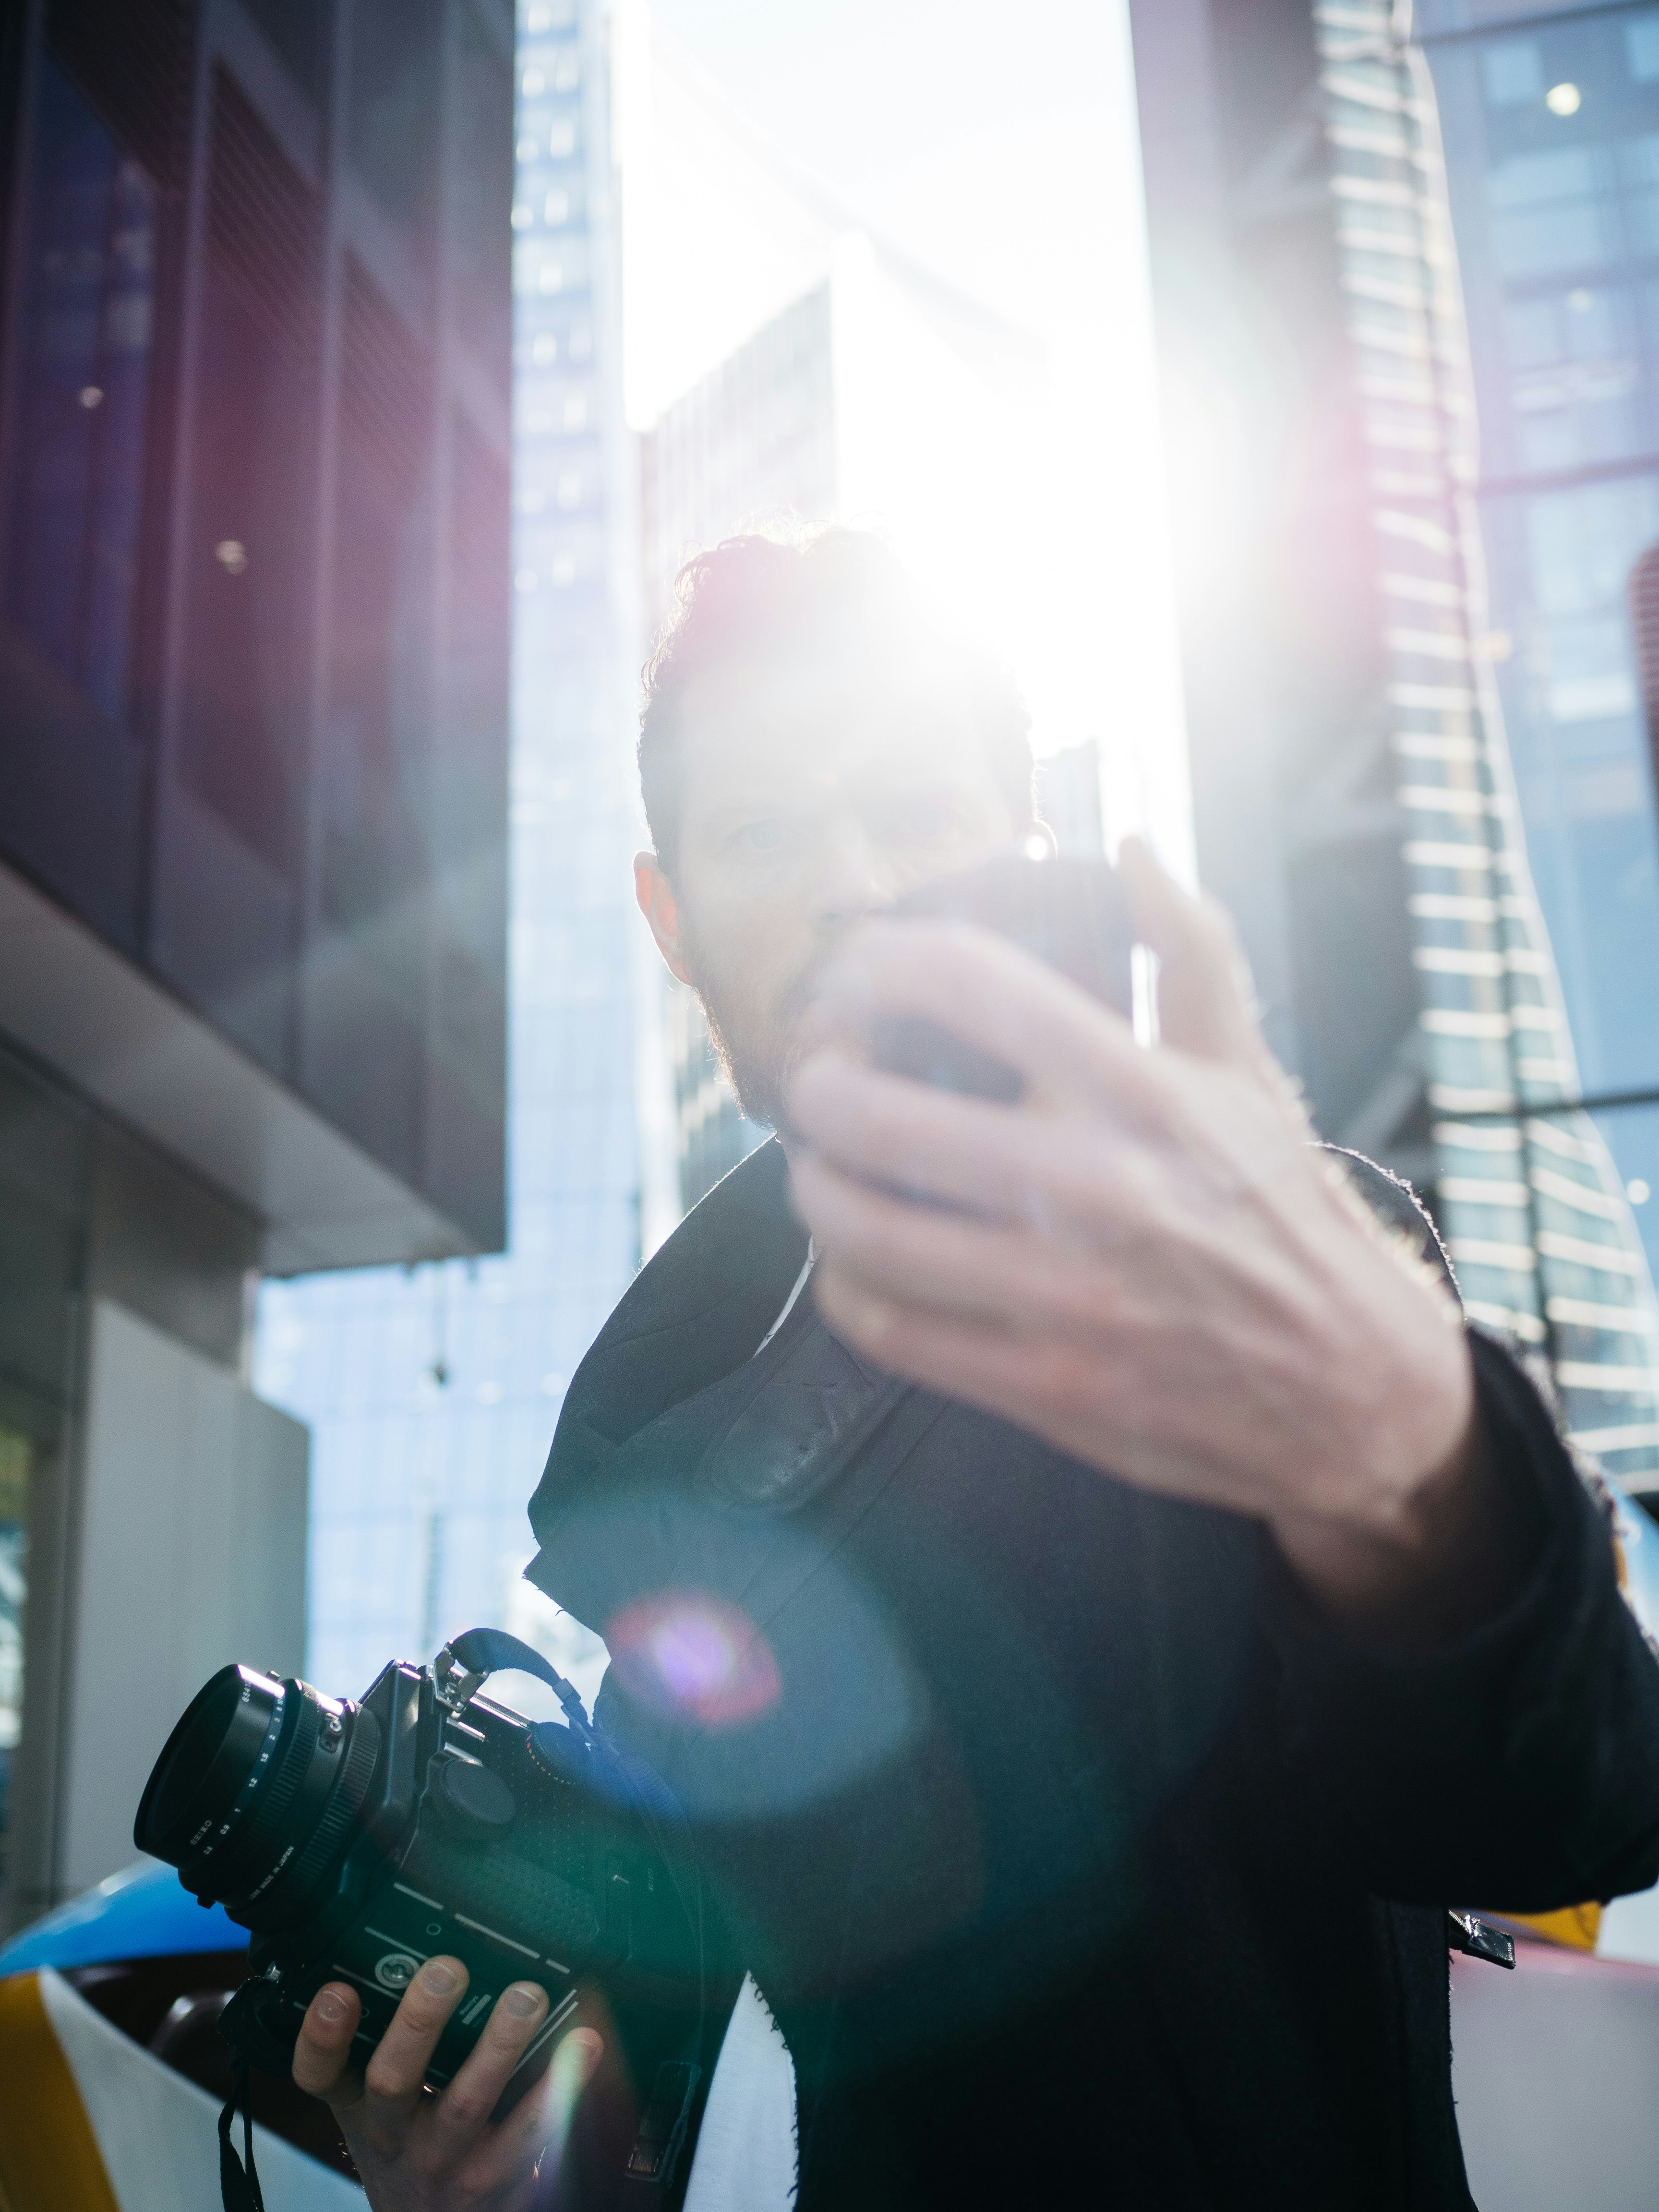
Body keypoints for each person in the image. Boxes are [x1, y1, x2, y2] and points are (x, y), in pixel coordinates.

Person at [289, 528, 1659, 2210]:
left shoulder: (1247, 1259)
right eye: (760, 832)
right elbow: (705, 2122)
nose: (847, 881)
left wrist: (1407, 1453)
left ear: (1028, 847)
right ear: (671, 918)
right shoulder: (669, 1488)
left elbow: (1563, 1807)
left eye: (916, 810)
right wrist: (504, 2186)